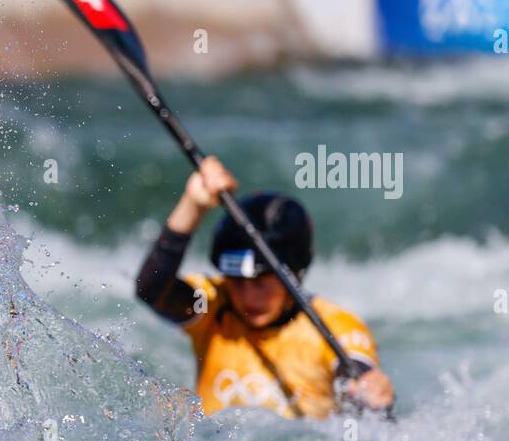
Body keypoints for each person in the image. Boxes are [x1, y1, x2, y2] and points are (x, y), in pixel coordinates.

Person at [135, 157, 394, 419]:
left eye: (261, 283)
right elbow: (153, 289)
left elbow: (357, 372)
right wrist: (193, 206)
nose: (248, 296)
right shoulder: (214, 306)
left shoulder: (337, 325)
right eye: (237, 282)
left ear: (294, 273)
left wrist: (368, 387)